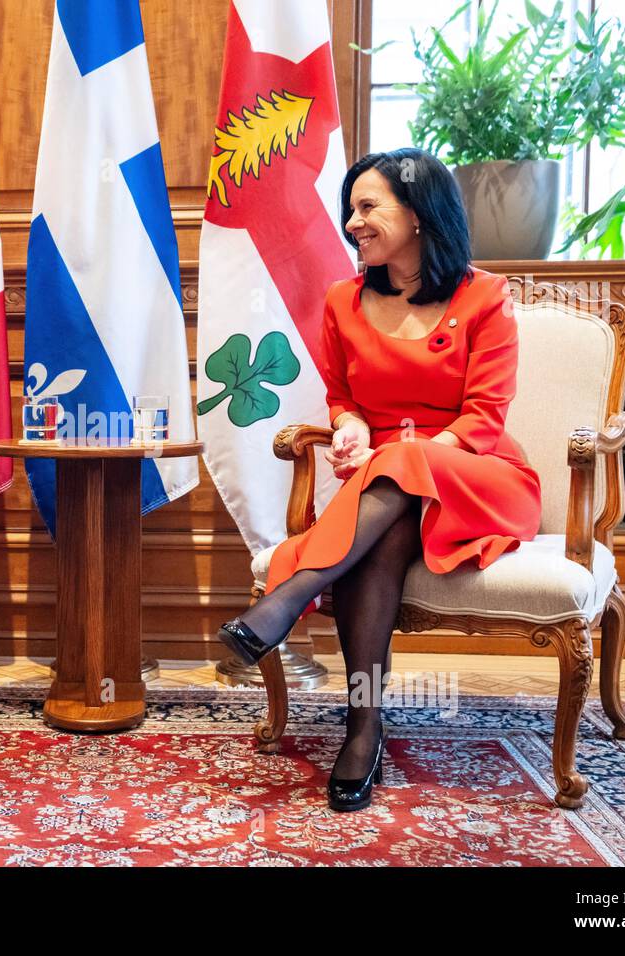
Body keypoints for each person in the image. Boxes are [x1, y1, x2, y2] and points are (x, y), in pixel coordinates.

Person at [216, 148, 542, 812]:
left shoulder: (485, 296)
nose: (352, 223)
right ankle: (364, 727)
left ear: (419, 215)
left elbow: (485, 417)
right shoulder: (344, 300)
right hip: (387, 491)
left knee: (401, 460)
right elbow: (344, 399)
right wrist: (352, 428)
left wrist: (398, 454)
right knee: (379, 545)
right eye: (350, 209)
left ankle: (291, 592)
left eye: (369, 207)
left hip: (478, 477)